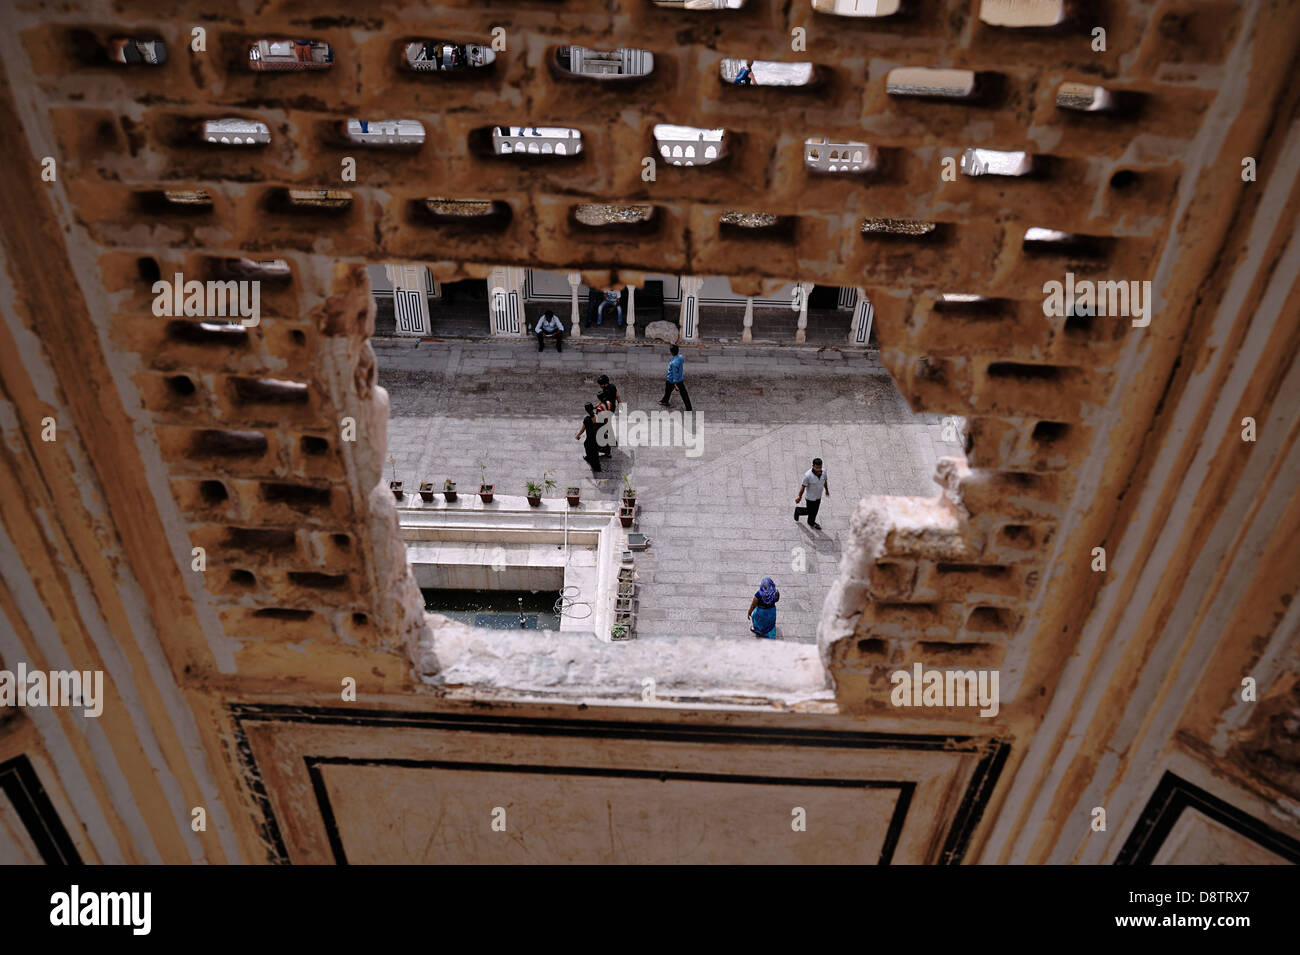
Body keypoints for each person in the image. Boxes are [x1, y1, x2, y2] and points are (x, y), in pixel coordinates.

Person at [794, 458, 829, 529]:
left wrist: (826, 490)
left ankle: (811, 522)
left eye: (820, 467)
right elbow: (803, 487)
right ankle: (798, 510)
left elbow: (825, 481)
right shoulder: (808, 475)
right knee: (809, 511)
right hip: (810, 497)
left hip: (818, 496)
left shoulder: (824, 472)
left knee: (815, 511)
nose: (818, 469)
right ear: (813, 466)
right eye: (816, 467)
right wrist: (799, 497)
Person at [659, 344, 693, 411]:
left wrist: (675, 384)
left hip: (671, 380)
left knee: (668, 390)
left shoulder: (673, 363)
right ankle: (689, 407)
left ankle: (665, 401)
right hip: (680, 378)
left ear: (671, 352)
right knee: (684, 394)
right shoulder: (680, 357)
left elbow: (674, 374)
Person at [595, 375, 620, 457]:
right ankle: (613, 441)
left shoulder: (605, 392)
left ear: (605, 384)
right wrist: (620, 403)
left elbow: (603, 401)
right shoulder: (613, 386)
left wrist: (597, 406)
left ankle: (610, 442)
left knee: (606, 426)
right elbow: (617, 395)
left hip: (607, 411)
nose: (600, 386)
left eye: (600, 384)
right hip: (612, 408)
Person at [574, 403, 602, 472]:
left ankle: (591, 460)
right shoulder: (598, 416)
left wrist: (577, 436)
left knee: (587, 447)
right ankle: (593, 461)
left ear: (586, 410)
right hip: (597, 436)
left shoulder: (587, 419)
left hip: (590, 437)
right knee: (594, 450)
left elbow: (582, 430)